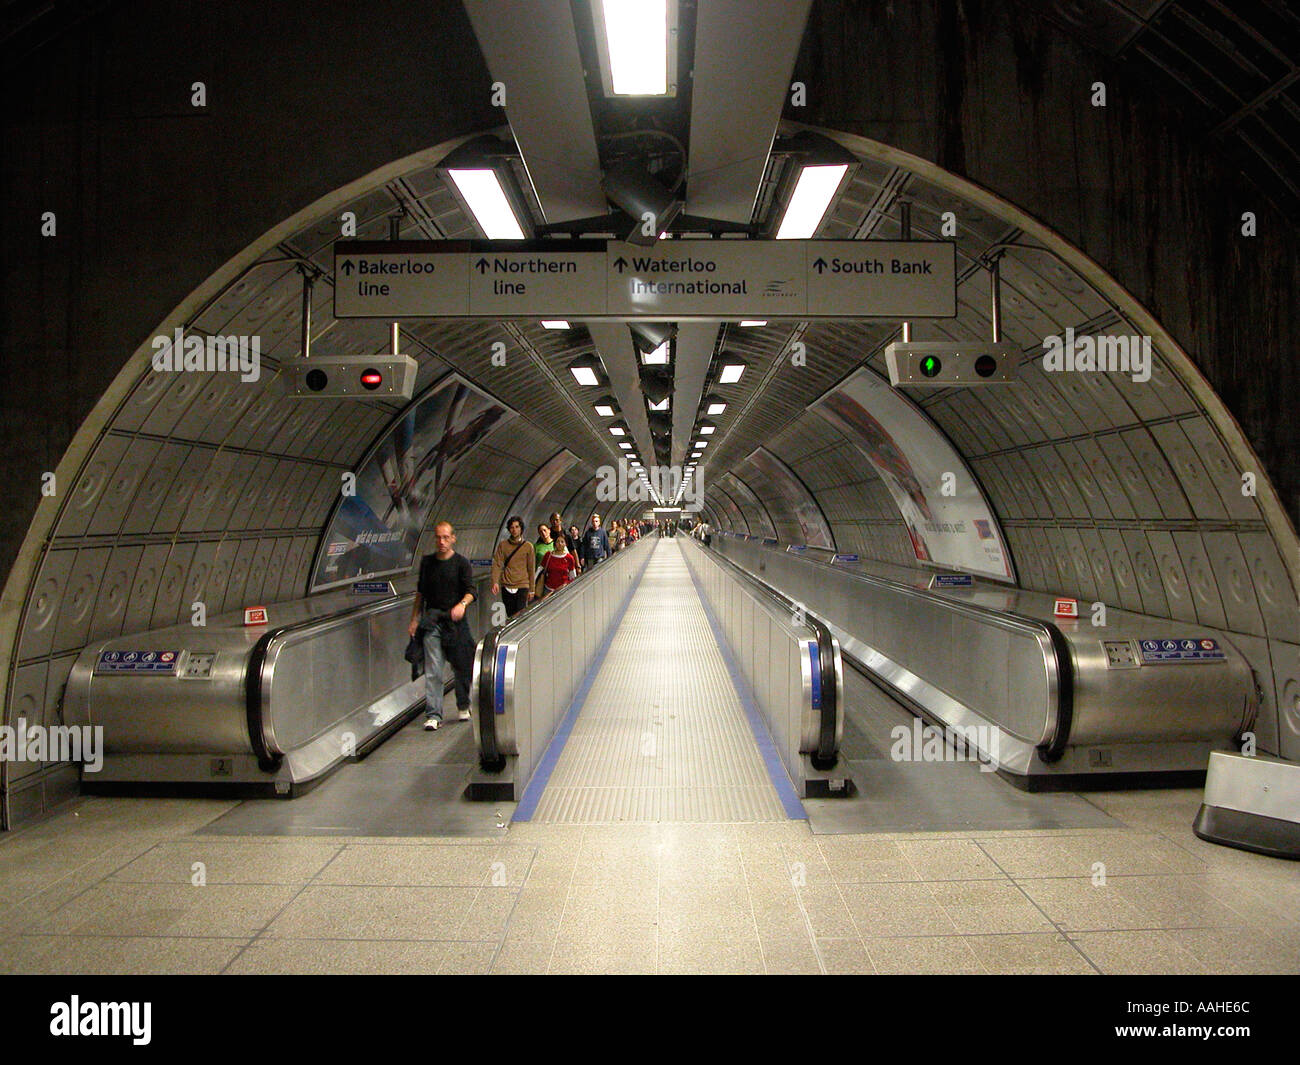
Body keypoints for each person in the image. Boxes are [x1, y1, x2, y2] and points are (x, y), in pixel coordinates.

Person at [408, 520, 476, 730]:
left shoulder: (461, 563)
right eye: (438, 537)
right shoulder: (427, 563)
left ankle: (463, 705)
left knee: (462, 665)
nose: (441, 541)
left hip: (455, 623)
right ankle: (434, 714)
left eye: (446, 537)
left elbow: (471, 591)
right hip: (432, 622)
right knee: (434, 668)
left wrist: (462, 604)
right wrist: (414, 619)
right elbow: (420, 593)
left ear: (453, 538)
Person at [491, 515, 534, 619]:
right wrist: (495, 581)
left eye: (517, 527)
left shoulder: (528, 546)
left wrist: (532, 589)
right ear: (509, 529)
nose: (514, 530)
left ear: (521, 528)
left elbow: (531, 568)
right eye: (512, 527)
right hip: (507, 585)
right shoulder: (503, 545)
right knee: (510, 616)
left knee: (520, 615)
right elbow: (497, 564)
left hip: (522, 584)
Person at [534, 523, 554, 597]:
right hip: (540, 576)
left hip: (553, 576)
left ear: (549, 531)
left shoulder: (556, 544)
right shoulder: (536, 546)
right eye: (540, 531)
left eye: (545, 530)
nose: (543, 533)